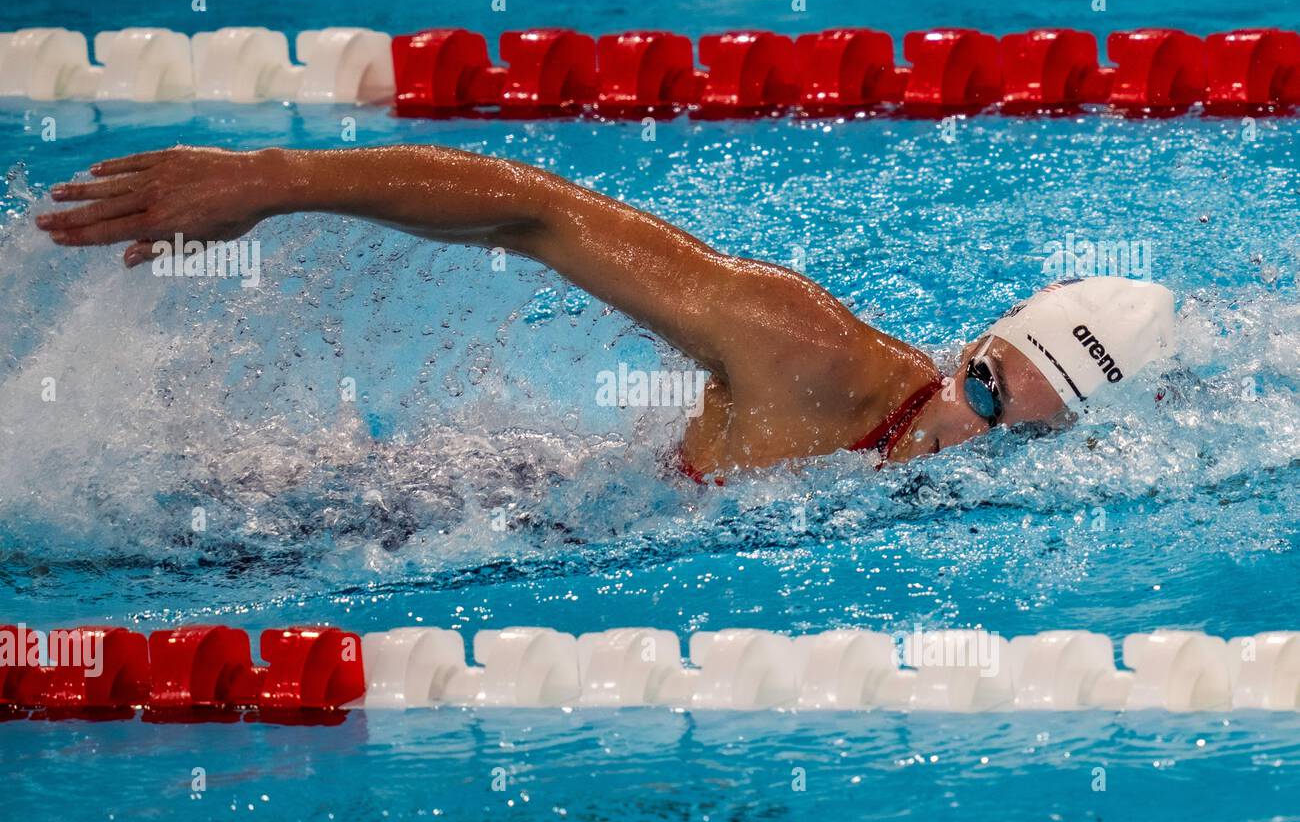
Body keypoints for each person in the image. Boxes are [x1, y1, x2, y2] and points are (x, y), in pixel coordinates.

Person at [35, 145, 1176, 483]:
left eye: (1021, 436)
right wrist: (274, 179)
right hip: (448, 516)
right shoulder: (805, 351)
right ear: (969, 343)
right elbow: (536, 213)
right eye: (984, 385)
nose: (967, 438)